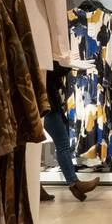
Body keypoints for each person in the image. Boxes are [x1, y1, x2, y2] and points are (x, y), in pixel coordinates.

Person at [41, 64, 100, 201]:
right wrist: (66, 64)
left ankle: (37, 189)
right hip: (47, 103)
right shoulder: (44, 54)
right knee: (62, 143)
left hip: (48, 101)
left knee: (59, 143)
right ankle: (75, 184)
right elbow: (50, 72)